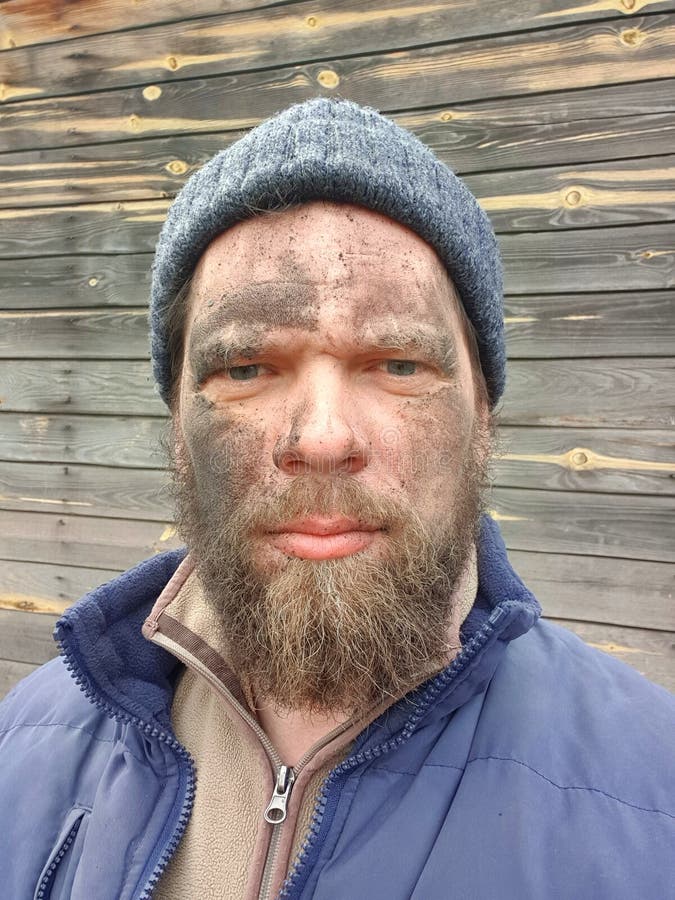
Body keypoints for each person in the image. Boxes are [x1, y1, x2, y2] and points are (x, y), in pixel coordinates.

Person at [0, 97, 673, 900]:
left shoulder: (652, 793)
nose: (320, 439)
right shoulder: (24, 743)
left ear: (483, 416)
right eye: (245, 369)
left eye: (397, 364)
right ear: (177, 425)